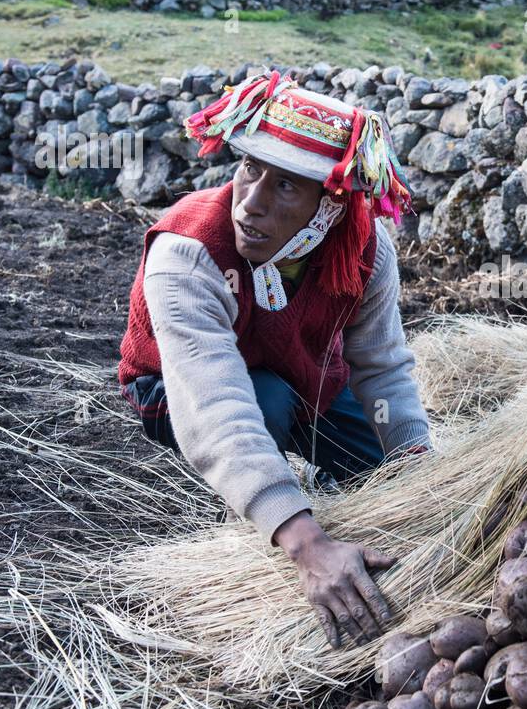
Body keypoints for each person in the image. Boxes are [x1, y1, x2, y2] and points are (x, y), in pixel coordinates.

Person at [117, 71, 430, 648]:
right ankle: (257, 504)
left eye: (287, 186)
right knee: (265, 403)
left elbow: (380, 365)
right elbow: (216, 405)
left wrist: (421, 469)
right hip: (180, 392)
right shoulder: (188, 254)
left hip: (304, 375)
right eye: (250, 170)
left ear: (330, 207)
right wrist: (306, 543)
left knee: (385, 472)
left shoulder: (364, 248)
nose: (251, 205)